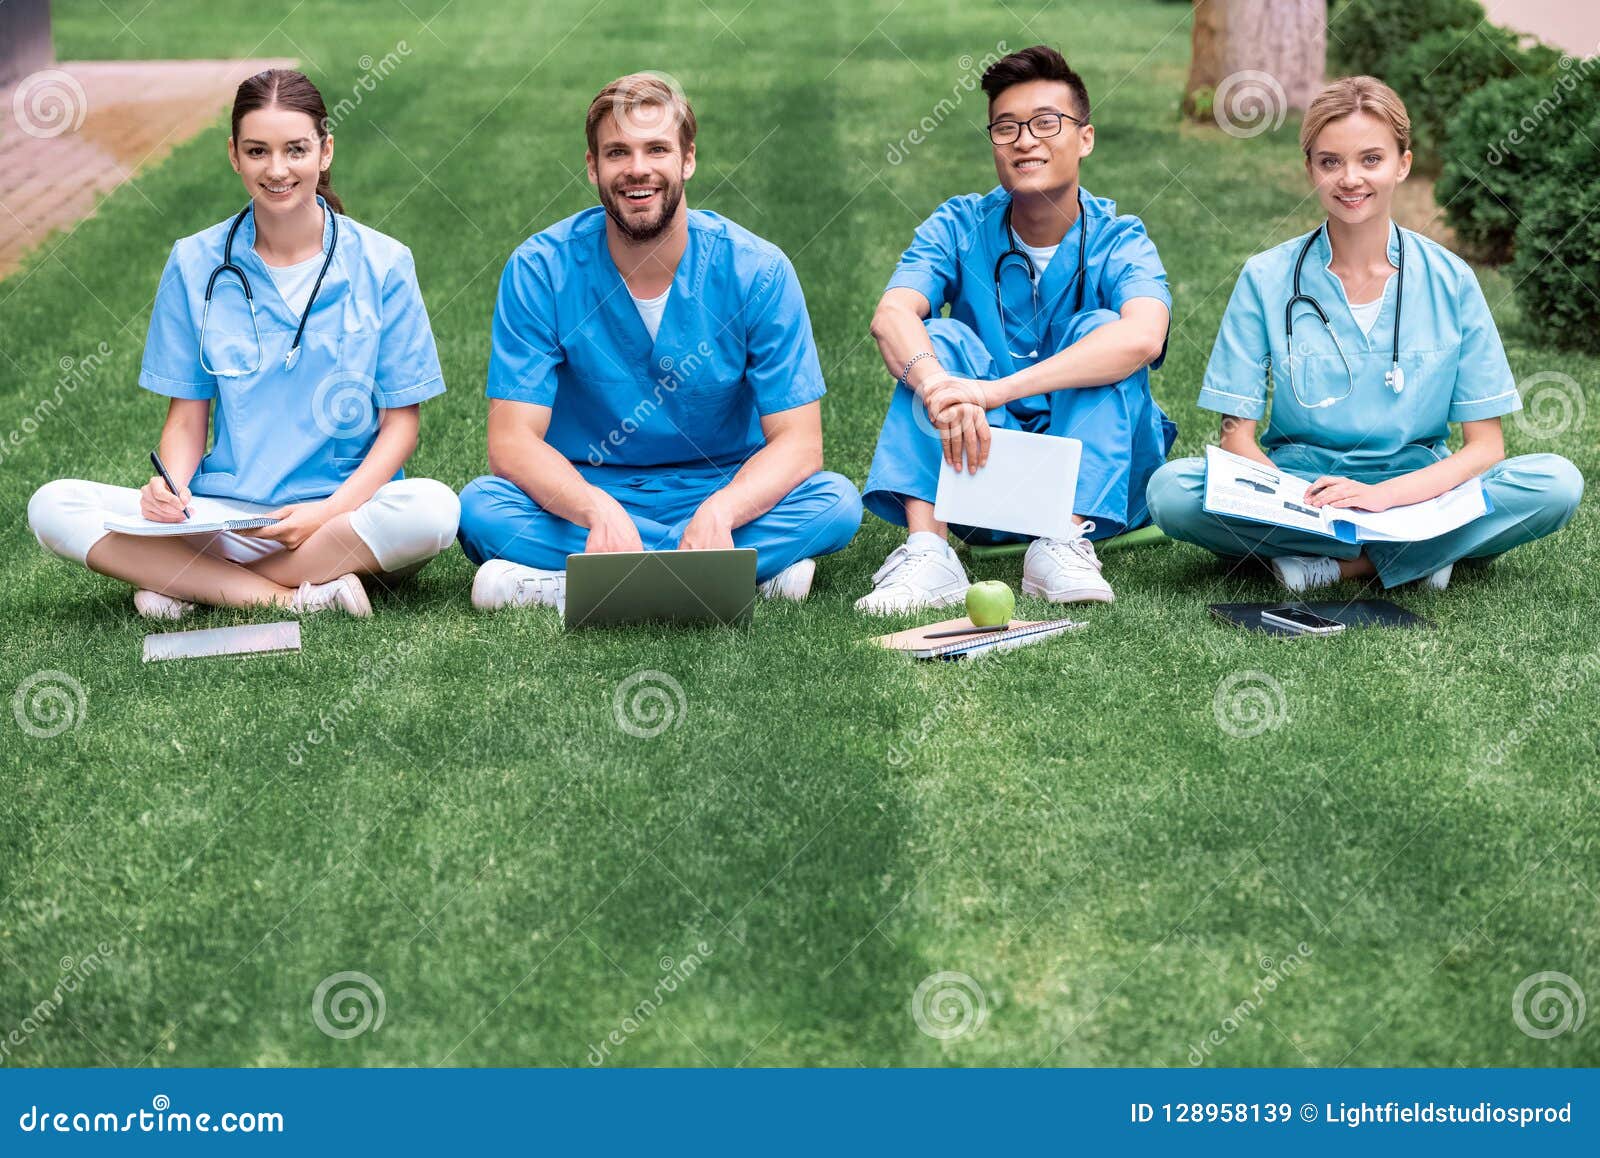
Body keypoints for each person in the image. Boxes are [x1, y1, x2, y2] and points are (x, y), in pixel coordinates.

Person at [27, 69, 459, 619]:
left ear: (325, 152)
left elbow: (402, 426)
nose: (277, 170)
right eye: (258, 151)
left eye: (295, 150)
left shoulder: (384, 264)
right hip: (223, 517)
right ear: (234, 154)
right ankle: (288, 597)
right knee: (53, 505)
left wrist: (326, 511)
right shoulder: (193, 262)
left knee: (433, 510)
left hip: (343, 517)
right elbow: (187, 418)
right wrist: (171, 489)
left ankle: (192, 583)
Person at [1146, 76, 1582, 591]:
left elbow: (1485, 448)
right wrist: (1299, 500)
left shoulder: (1451, 279)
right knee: (1171, 490)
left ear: (1404, 164)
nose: (1350, 178)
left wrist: (1385, 497)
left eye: (1370, 159)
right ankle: (1416, 556)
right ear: (1309, 169)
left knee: (1556, 482)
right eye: (1330, 162)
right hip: (1303, 489)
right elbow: (1236, 436)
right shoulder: (1265, 277)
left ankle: (1343, 564)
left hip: (1421, 489)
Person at [458, 73, 861, 610]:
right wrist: (598, 512)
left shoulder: (757, 271)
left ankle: (574, 579)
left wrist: (720, 512)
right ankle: (734, 572)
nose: (637, 169)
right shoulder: (540, 269)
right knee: (481, 507)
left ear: (687, 160)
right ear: (593, 167)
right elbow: (512, 443)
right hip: (588, 490)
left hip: (723, 490)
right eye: (617, 152)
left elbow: (799, 443)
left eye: (657, 149)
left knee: (834, 501)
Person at [854, 44, 1175, 613]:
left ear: (1086, 137)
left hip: (1096, 483)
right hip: (979, 467)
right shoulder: (958, 224)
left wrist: (995, 390)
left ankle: (1063, 543)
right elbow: (892, 315)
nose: (1025, 140)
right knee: (941, 341)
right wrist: (938, 386)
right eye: (1006, 128)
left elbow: (1143, 336)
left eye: (1046, 123)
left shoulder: (1121, 237)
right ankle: (929, 550)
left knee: (1103, 330)